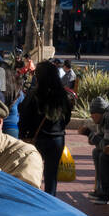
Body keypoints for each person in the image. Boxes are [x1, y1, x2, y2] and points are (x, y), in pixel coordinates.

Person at [18, 60, 73, 197]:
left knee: (31, 172)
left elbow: (24, 116)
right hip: (57, 138)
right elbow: (67, 118)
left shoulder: (34, 95)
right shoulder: (63, 95)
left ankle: (32, 201)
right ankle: (50, 201)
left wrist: (23, 134)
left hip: (37, 139)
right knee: (51, 175)